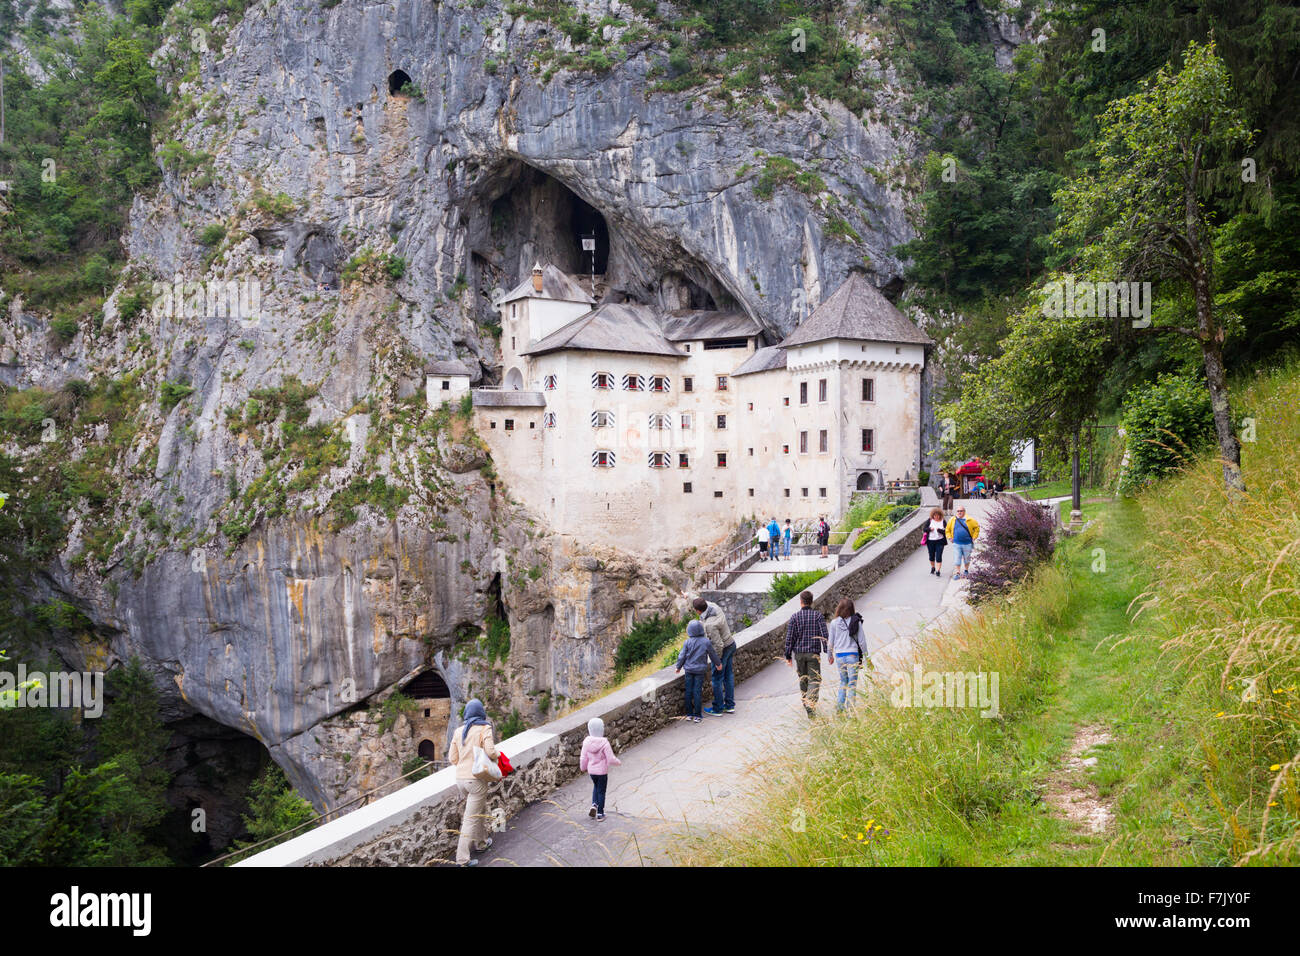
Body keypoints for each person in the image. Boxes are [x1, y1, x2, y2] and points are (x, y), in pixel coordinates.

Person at [445, 698, 497, 866]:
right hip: (476, 780)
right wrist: (496, 756)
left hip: (461, 780)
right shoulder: (484, 728)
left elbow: (452, 758)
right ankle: (462, 859)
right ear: (481, 712)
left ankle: (481, 843)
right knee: (470, 819)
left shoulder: (459, 731)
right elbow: (490, 751)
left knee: (479, 809)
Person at [784, 590, 828, 718]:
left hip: (799, 654)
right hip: (813, 653)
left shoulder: (794, 617)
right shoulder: (818, 616)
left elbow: (789, 638)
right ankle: (810, 703)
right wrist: (827, 650)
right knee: (814, 679)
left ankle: (806, 704)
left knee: (803, 679)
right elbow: (824, 635)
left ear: (801, 602)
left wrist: (788, 655)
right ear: (811, 601)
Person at [695, 597, 735, 715]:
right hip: (731, 643)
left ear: (698, 611)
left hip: (723, 649)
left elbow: (718, 645)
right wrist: (688, 595)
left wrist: (718, 662)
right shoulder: (714, 607)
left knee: (717, 679)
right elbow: (701, 601)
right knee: (728, 676)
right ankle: (730, 705)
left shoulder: (709, 625)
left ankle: (717, 708)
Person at [676, 620, 720, 722]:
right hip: (700, 671)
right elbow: (712, 654)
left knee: (688, 692)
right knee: (697, 692)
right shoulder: (706, 642)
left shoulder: (687, 642)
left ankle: (689, 714)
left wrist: (678, 667)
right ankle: (697, 716)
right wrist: (718, 664)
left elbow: (682, 656)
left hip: (689, 670)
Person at [579, 716, 621, 821]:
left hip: (592, 771)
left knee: (596, 787)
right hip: (602, 771)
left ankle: (594, 805)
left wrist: (583, 767)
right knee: (601, 791)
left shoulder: (586, 742)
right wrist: (618, 762)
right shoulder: (604, 743)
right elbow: (610, 759)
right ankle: (600, 814)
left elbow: (583, 757)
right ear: (601, 729)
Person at [826, 598, 865, 712]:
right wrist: (867, 657)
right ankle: (851, 711)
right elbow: (862, 642)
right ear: (852, 608)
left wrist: (830, 656)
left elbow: (830, 641)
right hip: (852, 655)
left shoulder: (834, 623)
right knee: (852, 684)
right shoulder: (855, 621)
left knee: (843, 681)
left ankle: (839, 708)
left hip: (839, 656)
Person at [946, 505, 981, 580]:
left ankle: (966, 571)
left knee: (967, 558)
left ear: (964, 512)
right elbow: (947, 529)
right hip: (956, 543)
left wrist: (974, 537)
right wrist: (949, 537)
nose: (959, 512)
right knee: (957, 559)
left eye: (961, 511)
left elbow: (977, 528)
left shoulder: (970, 520)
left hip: (967, 543)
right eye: (958, 511)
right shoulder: (952, 519)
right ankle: (958, 573)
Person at [925, 506, 947, 577]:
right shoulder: (930, 520)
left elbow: (947, 531)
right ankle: (933, 567)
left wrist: (939, 530)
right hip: (930, 541)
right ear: (932, 515)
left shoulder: (943, 521)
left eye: (938, 515)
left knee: (939, 556)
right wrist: (929, 529)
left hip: (940, 541)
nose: (936, 517)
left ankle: (938, 570)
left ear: (940, 515)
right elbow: (924, 529)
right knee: (931, 556)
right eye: (935, 515)